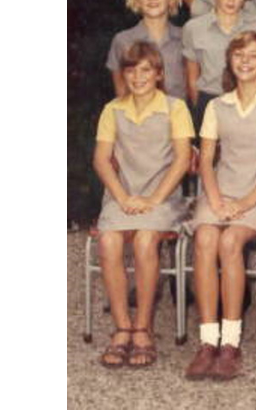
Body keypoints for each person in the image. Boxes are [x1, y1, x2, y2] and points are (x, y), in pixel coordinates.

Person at [184, 32, 256, 381]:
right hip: (221, 192)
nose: (246, 62)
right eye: (238, 56)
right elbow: (206, 161)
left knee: (230, 241)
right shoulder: (216, 106)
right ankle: (207, 342)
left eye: (254, 56)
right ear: (230, 62)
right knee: (204, 239)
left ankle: (230, 344)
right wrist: (215, 199)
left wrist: (245, 202)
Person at [93, 42, 194, 368]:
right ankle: (122, 326)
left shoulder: (174, 108)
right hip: (122, 195)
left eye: (146, 70)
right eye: (132, 70)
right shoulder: (113, 109)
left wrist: (153, 199)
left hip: (162, 196)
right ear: (124, 74)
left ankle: (143, 327)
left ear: (159, 74)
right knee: (108, 241)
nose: (138, 77)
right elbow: (101, 160)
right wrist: (122, 197)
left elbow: (181, 160)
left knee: (146, 240)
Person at [182, 0, 256, 128]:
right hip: (209, 100)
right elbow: (192, 77)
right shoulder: (194, 28)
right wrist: (199, 106)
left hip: (246, 98)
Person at [106, 0, 187, 100]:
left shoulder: (186, 38)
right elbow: (120, 92)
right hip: (137, 118)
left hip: (177, 116)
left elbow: (192, 86)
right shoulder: (122, 40)